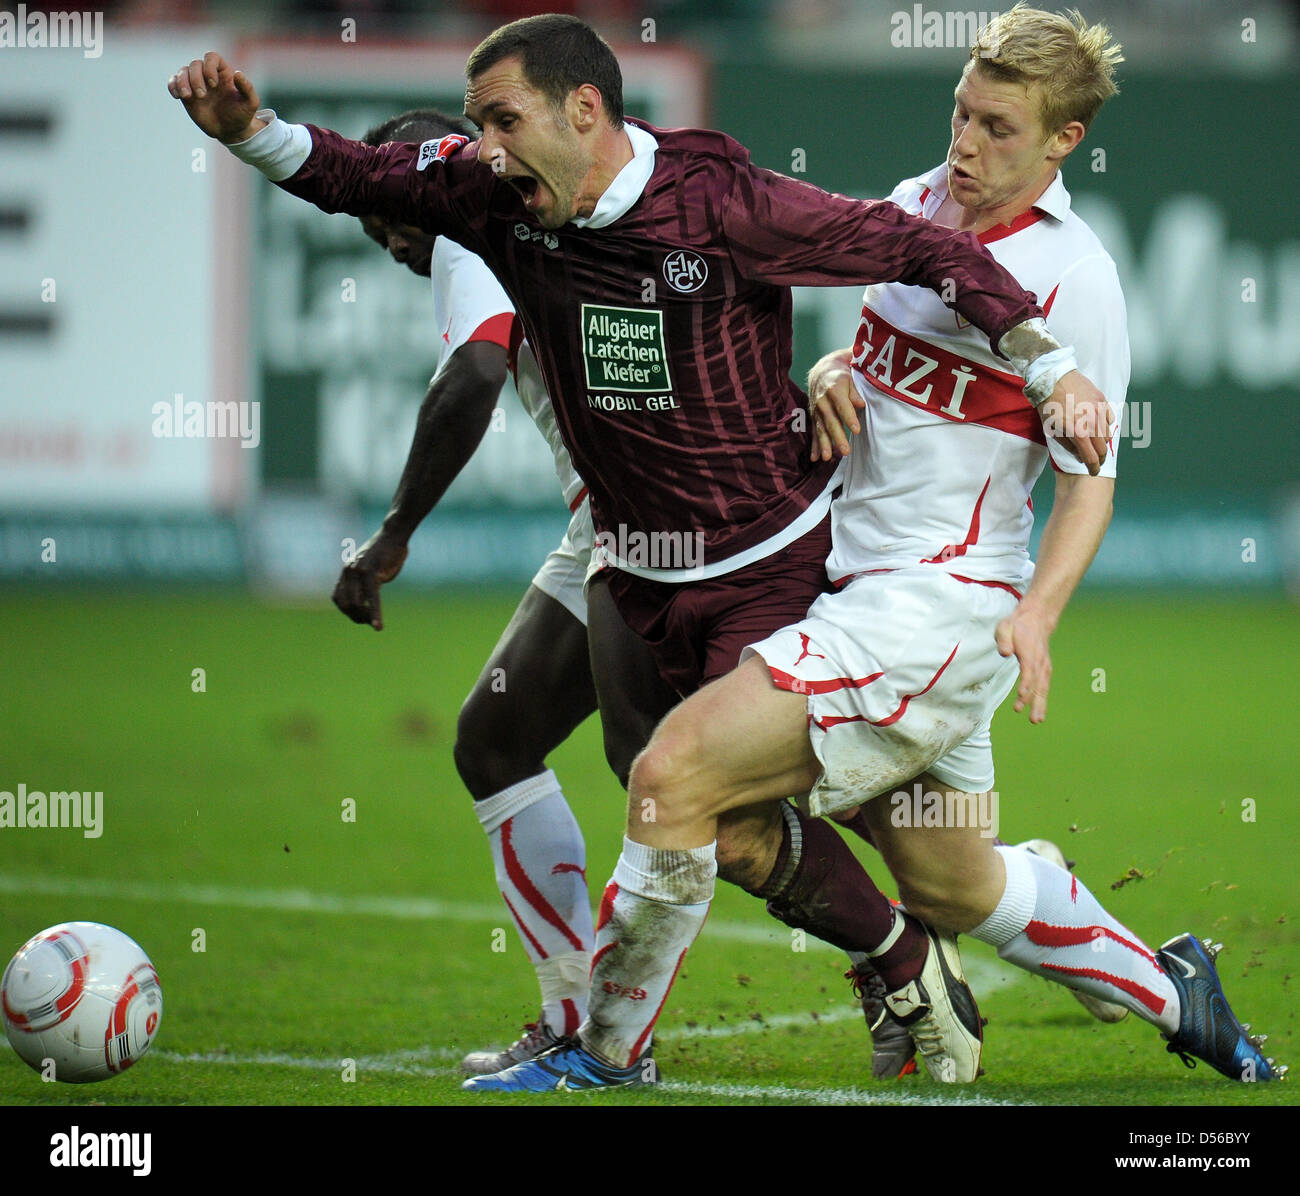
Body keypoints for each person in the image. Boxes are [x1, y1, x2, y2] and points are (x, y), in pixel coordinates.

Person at [168, 12, 1114, 1080]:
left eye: (504, 120)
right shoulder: (488, 194)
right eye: (475, 127)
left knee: (683, 784)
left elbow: (916, 250)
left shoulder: (690, 202)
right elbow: (353, 173)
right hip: (622, 537)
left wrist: (1043, 364)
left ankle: (759, 990)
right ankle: (821, 970)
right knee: (597, 764)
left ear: (583, 110)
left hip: (744, 548)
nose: (485, 150)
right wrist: (251, 131)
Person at [461, 4, 1286, 1092]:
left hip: (936, 612)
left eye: (997, 127)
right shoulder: (912, 207)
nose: (965, 144)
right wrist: (828, 373)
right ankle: (1179, 991)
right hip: (843, 579)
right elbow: (861, 359)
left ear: (1060, 141)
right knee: (952, 884)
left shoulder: (1074, 274)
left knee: (672, 774)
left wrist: (1038, 614)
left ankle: (601, 1052)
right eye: (960, 112)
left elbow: (1093, 483)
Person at [332, 107, 678, 1073]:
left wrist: (393, 533)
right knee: (498, 737)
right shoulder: (558, 205)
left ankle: (904, 940)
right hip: (617, 512)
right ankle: (575, 1024)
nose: (396, 248)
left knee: (669, 776)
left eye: (388, 223)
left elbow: (476, 366)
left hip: (652, 515)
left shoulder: (469, 220)